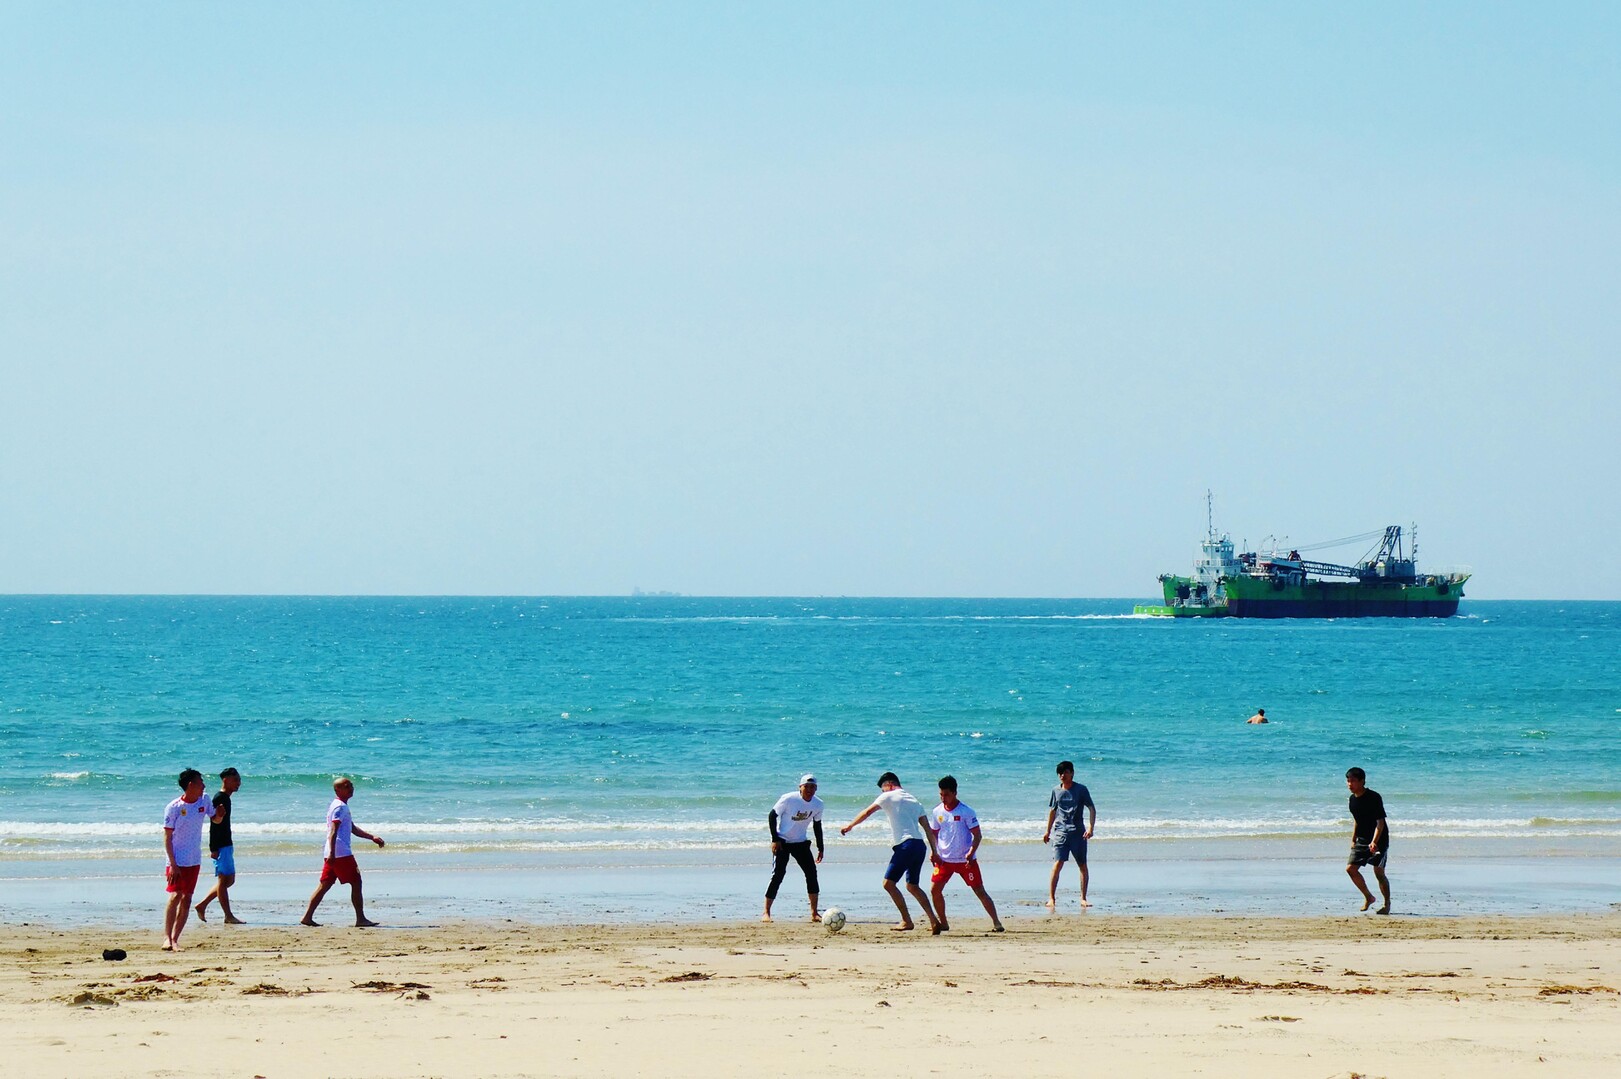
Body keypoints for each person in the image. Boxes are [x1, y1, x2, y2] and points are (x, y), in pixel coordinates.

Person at [840, 772, 942, 933]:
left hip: (906, 845)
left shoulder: (888, 796)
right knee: (913, 886)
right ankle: (934, 921)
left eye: (882, 789)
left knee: (888, 884)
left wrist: (850, 826)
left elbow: (867, 812)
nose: (882, 793)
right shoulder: (914, 800)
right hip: (919, 845)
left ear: (888, 784)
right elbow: (927, 829)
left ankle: (907, 921)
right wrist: (934, 851)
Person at [301, 777, 385, 927]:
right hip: (340, 852)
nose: (350, 788)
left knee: (325, 885)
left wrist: (371, 837)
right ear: (337, 790)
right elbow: (333, 830)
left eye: (351, 785)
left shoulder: (339, 806)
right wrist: (333, 853)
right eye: (346, 786)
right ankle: (361, 919)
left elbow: (352, 828)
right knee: (356, 882)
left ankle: (307, 917)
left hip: (333, 852)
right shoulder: (339, 807)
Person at [928, 776, 1004, 932]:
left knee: (979, 891)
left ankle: (996, 922)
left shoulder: (966, 811)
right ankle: (944, 922)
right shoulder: (937, 811)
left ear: (955, 793)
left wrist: (971, 852)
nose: (943, 798)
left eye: (946, 795)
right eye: (941, 795)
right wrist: (933, 852)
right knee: (935, 890)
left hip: (965, 861)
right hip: (944, 860)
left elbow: (977, 835)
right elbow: (934, 834)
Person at [162, 768, 217, 951]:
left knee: (187, 899)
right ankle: (167, 938)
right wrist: (173, 864)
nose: (204, 785)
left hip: (194, 859)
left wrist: (221, 815)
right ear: (191, 785)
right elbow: (167, 837)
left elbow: (214, 818)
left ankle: (176, 939)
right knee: (175, 896)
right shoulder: (174, 807)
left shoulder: (204, 800)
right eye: (201, 782)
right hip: (176, 860)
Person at [763, 774, 825, 922]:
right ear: (800, 787)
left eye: (813, 787)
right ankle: (766, 912)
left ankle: (814, 913)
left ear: (816, 788)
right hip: (782, 842)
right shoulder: (789, 799)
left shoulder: (818, 804)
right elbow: (772, 816)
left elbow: (817, 825)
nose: (809, 790)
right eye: (806, 786)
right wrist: (775, 839)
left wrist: (821, 847)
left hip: (801, 843)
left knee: (811, 873)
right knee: (778, 875)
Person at [1042, 760, 1096, 909]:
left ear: (1072, 773)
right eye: (1060, 773)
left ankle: (1083, 898)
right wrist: (1047, 831)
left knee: (1082, 865)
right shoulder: (1055, 791)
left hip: (1078, 833)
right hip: (1060, 833)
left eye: (1065, 772)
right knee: (1057, 864)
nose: (1062, 775)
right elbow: (1053, 811)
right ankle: (1051, 898)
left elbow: (1091, 808)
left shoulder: (1081, 790)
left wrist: (1091, 828)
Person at [194, 767, 244, 924]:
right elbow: (214, 825)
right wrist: (213, 848)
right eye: (235, 780)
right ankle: (228, 916)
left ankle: (202, 905)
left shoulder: (226, 798)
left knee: (229, 880)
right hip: (221, 845)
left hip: (226, 843)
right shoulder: (220, 798)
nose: (238, 784)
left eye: (239, 780)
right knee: (224, 881)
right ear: (225, 780)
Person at [1345, 767, 1391, 914]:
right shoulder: (1352, 800)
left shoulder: (1374, 797)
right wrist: (1353, 839)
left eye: (1353, 781)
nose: (1350, 784)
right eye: (1348, 781)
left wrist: (1374, 841)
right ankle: (1369, 897)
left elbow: (1380, 822)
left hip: (1379, 839)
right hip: (1362, 839)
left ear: (1362, 781)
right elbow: (1357, 820)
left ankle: (1386, 904)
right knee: (1351, 869)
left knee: (1378, 872)